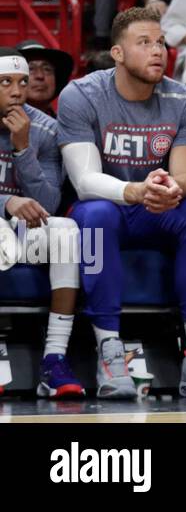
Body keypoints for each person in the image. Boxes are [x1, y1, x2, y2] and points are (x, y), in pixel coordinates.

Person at [59, 7, 186, 399]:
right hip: (107, 205)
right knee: (95, 214)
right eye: (144, 43)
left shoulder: (184, 97)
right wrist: (136, 190)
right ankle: (109, 349)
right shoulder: (81, 94)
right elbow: (85, 181)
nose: (158, 50)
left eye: (160, 42)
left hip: (154, 205)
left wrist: (169, 189)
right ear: (118, 53)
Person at [0, 48, 84, 399]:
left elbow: (49, 204)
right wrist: (7, 202)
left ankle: (54, 359)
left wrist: (23, 150)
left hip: (22, 234)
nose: (18, 91)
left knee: (67, 231)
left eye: (22, 82)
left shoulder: (47, 130)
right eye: (6, 82)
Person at [15, 42, 74, 120]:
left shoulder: (67, 124)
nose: (40, 76)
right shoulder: (4, 125)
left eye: (47, 69)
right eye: (30, 69)